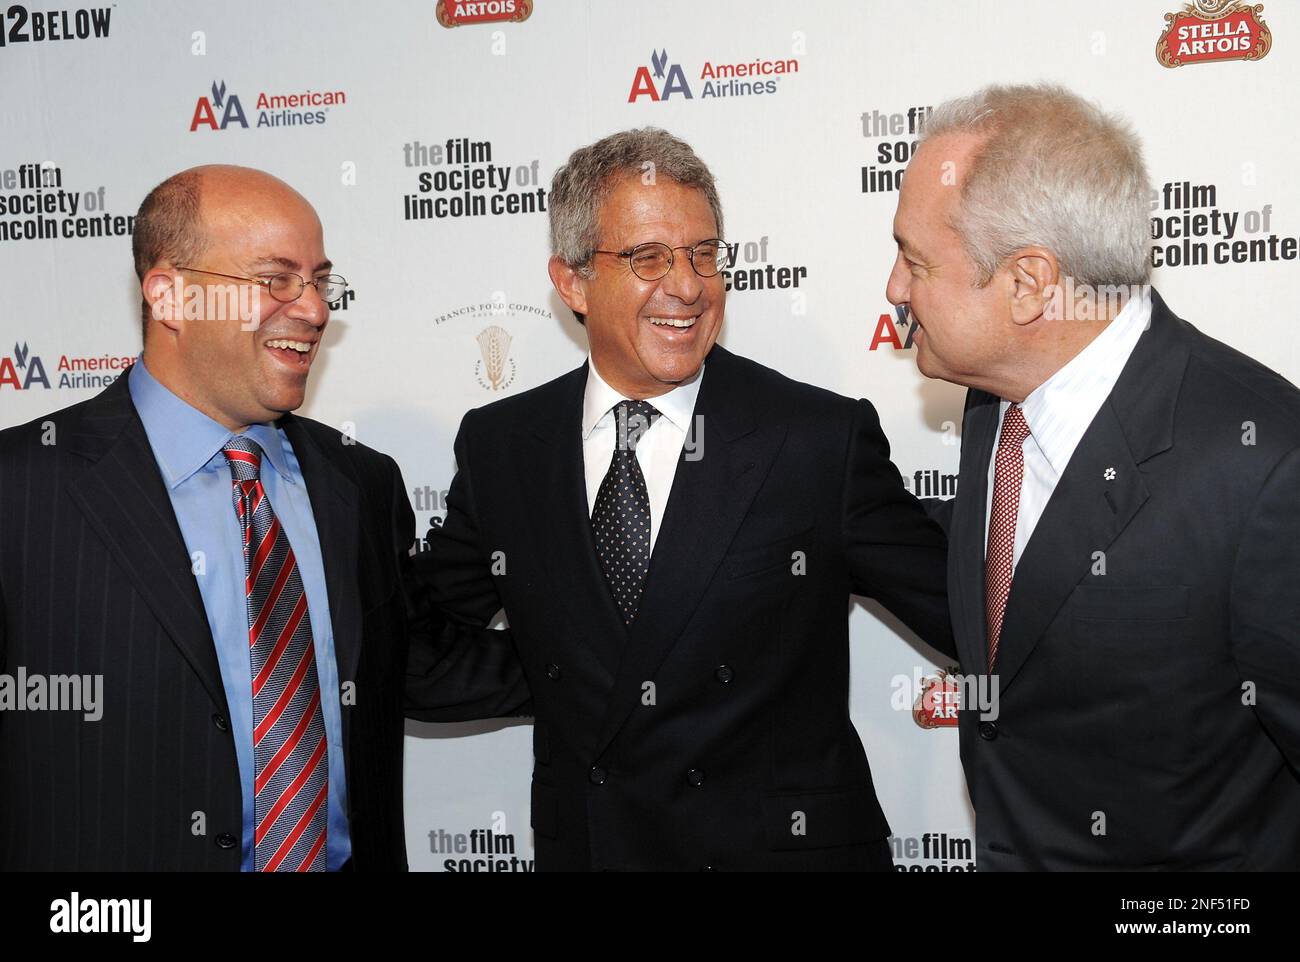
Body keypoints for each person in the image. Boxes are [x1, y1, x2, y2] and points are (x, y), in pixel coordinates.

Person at [414, 128, 952, 871]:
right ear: (571, 282)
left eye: (704, 254)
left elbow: (973, 615)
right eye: (648, 258)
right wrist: (566, 677)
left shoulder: (814, 439)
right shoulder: (504, 445)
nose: (688, 285)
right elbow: (422, 642)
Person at [0, 165, 526, 871]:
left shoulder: (360, 483)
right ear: (172, 295)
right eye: (276, 279)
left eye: (319, 281)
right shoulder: (24, 488)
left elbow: (408, 660)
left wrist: (630, 662)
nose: (313, 310)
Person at [888, 83, 1300, 869]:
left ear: (1030, 284)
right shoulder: (995, 402)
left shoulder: (1265, 469)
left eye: (914, 261)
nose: (895, 291)